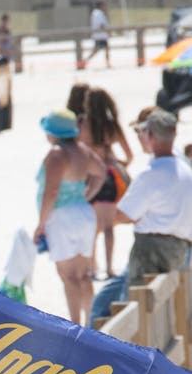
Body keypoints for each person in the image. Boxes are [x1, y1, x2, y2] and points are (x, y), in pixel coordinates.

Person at [33, 109, 107, 325]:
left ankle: (76, 326)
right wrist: (86, 195)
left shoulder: (57, 155)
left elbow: (51, 192)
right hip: (83, 213)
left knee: (68, 276)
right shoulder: (83, 151)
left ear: (53, 132)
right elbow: (101, 172)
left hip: (62, 216)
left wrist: (41, 224)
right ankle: (90, 325)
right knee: (83, 275)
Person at [115, 109, 192, 285]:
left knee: (139, 296)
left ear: (149, 135)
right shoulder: (185, 170)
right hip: (180, 249)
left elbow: (123, 215)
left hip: (151, 250)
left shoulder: (150, 175)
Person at [78, 88, 134, 278]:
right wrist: (116, 163)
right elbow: (129, 156)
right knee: (108, 226)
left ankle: (92, 267)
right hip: (109, 176)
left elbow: (78, 151)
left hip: (89, 176)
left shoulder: (82, 124)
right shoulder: (112, 127)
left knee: (92, 225)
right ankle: (109, 268)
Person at [84, 0, 111, 68]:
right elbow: (101, 24)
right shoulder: (98, 13)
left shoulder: (96, 13)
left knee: (105, 49)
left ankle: (108, 63)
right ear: (101, 6)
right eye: (104, 5)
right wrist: (108, 31)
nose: (105, 7)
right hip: (100, 35)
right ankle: (85, 61)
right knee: (97, 50)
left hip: (100, 35)